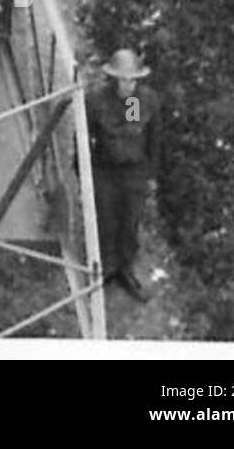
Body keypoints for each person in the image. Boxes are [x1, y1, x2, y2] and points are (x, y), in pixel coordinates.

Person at [86, 49, 160, 302]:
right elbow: (84, 139)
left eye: (132, 79)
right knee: (106, 220)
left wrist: (151, 174)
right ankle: (106, 268)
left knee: (131, 221)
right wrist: (84, 173)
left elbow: (154, 139)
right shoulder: (96, 101)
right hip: (105, 170)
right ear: (113, 78)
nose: (128, 84)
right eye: (123, 79)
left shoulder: (147, 101)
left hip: (135, 172)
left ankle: (125, 269)